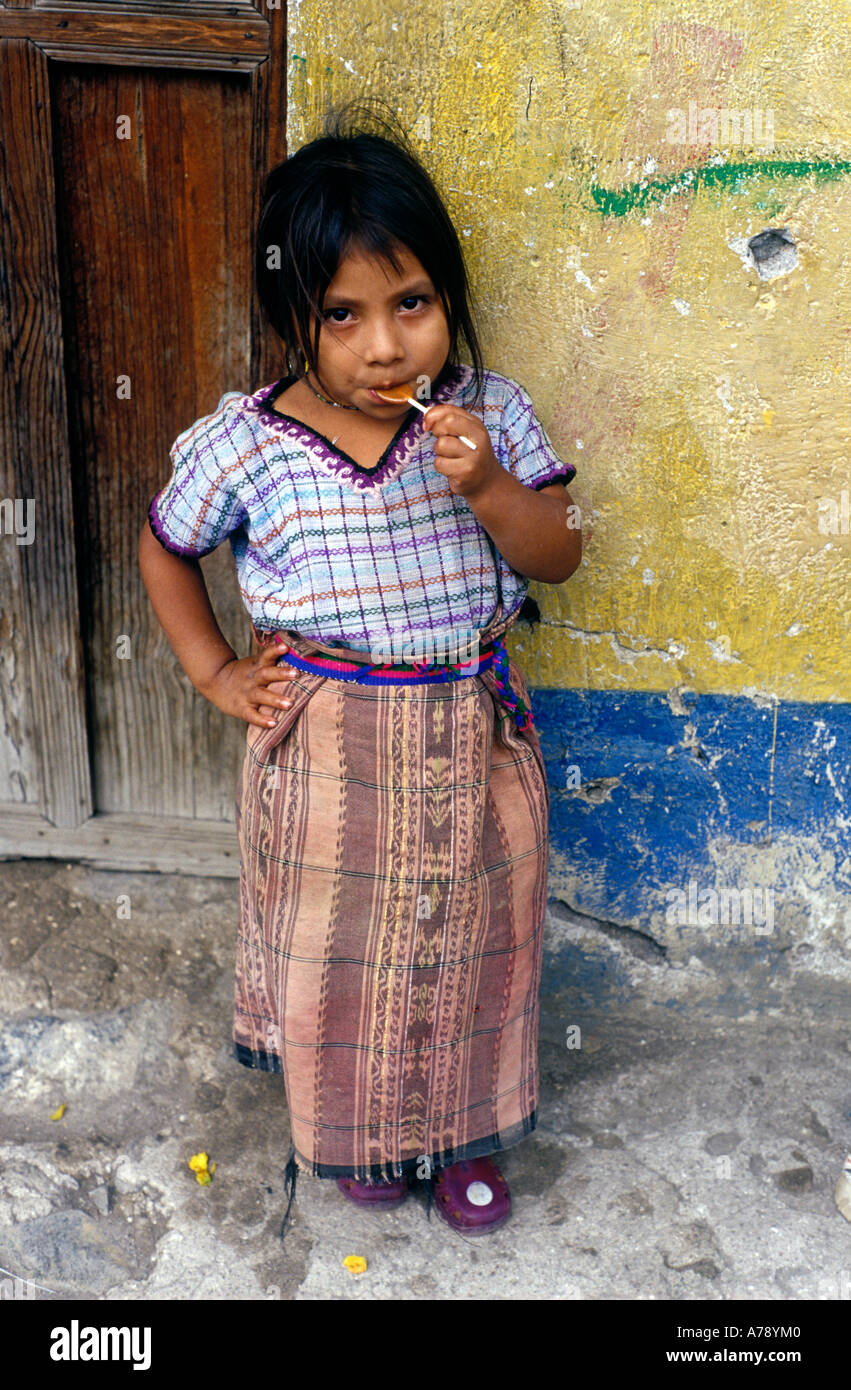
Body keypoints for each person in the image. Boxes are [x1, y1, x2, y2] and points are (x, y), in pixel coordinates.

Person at [138, 97, 582, 1239]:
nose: (386, 344)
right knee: (341, 957)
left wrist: (487, 488)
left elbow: (559, 554)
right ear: (294, 315)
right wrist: (215, 675)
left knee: (477, 946)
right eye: (343, 315)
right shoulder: (246, 442)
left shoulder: (487, 418)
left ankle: (466, 1138)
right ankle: (363, 1136)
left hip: (466, 737)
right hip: (329, 750)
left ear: (446, 297)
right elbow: (166, 545)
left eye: (412, 304)